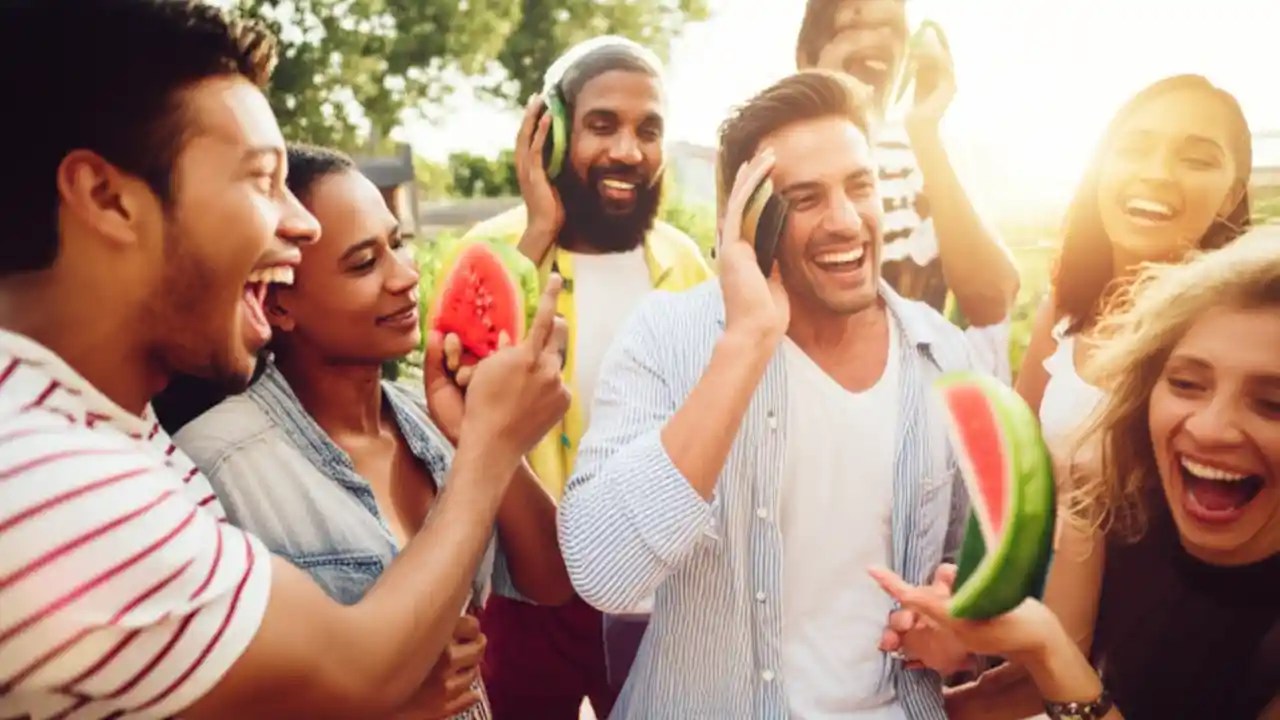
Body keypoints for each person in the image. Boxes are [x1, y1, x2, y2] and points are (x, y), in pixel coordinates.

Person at [0, 3, 568, 719]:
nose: (299, 228)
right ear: (109, 200)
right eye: (261, 180)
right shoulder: (48, 484)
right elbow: (361, 667)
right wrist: (491, 444)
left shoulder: (114, 429)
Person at [558, 68, 984, 720]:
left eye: (859, 186)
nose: (846, 221)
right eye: (806, 198)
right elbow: (605, 571)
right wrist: (747, 341)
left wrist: (964, 631)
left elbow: (969, 568)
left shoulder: (945, 358)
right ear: (751, 219)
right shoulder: (668, 338)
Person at [172, 144, 576, 719]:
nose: (406, 276)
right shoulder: (216, 467)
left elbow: (551, 580)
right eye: (364, 263)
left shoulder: (430, 420)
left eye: (398, 244)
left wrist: (487, 442)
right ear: (278, 303)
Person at [873, 228, 1280, 720]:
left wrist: (1048, 650)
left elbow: (1059, 668)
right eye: (1187, 383)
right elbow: (1029, 689)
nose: (1211, 428)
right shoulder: (1116, 510)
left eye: (1273, 404)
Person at [454, 36, 713, 719]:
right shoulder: (495, 249)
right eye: (602, 125)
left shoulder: (684, 263)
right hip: (524, 589)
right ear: (555, 131)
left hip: (656, 587)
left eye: (648, 130)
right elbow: (456, 395)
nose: (628, 151)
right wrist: (539, 229)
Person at [1015, 74, 1253, 457]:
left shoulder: (1246, 341)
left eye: (1196, 160)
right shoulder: (1065, 312)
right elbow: (1013, 461)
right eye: (1134, 149)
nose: (1157, 174)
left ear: (1230, 197)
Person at [795, 0, 1020, 380]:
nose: (878, 40)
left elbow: (992, 301)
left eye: (892, 28)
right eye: (854, 25)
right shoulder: (770, 157)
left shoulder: (929, 155)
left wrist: (925, 132)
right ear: (806, 57)